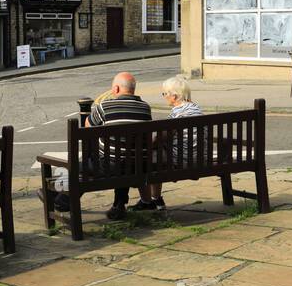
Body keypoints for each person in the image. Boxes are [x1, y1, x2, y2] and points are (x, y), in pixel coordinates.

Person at [86, 71, 152, 220]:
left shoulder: (104, 106)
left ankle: (61, 201)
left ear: (116, 89)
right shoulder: (145, 108)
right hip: (138, 165)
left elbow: (88, 127)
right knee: (125, 159)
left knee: (79, 167)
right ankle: (119, 205)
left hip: (110, 166)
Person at [141, 76, 204, 210]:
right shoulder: (197, 109)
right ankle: (155, 199)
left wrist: (149, 145)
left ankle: (154, 199)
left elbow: (161, 138)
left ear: (174, 96)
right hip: (200, 159)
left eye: (165, 94)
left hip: (182, 161)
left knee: (153, 155)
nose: (164, 97)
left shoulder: (177, 114)